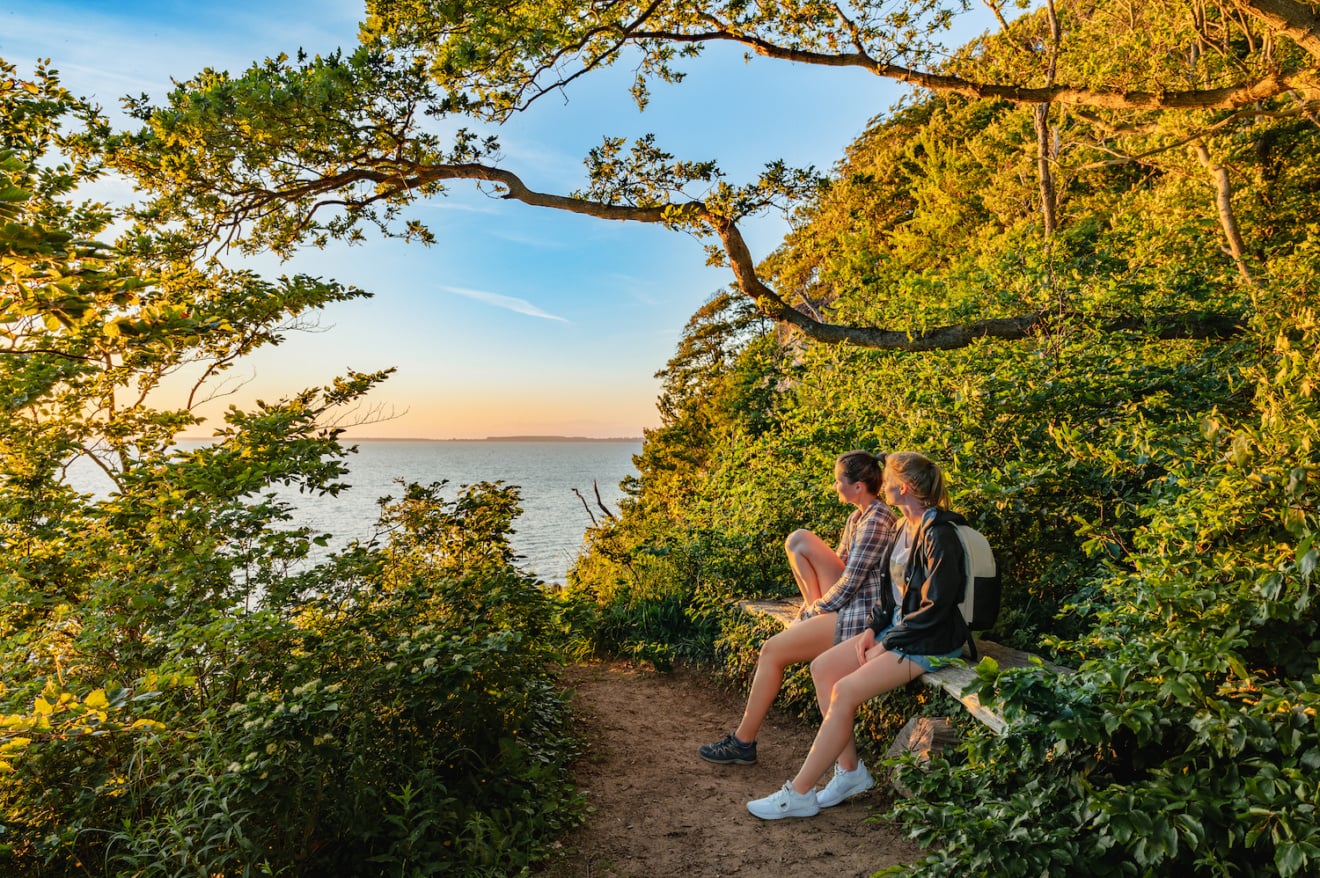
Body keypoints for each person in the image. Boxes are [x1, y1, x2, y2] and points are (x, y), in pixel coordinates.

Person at [746, 451, 970, 819]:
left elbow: (937, 607)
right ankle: (850, 773)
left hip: (929, 640)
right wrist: (871, 630)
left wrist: (887, 643)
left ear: (905, 487)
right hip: (896, 630)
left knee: (845, 690)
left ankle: (799, 793)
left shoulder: (939, 534)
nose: (883, 483)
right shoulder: (901, 528)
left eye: (889, 478)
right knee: (823, 668)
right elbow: (887, 595)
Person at [699, 450, 895, 766]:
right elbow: (841, 563)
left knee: (771, 651)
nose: (835, 486)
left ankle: (743, 743)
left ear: (858, 486)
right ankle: (747, 743)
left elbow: (850, 583)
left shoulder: (877, 520)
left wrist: (816, 610)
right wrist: (814, 608)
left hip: (859, 616)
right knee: (797, 540)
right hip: (846, 607)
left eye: (839, 481)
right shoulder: (857, 517)